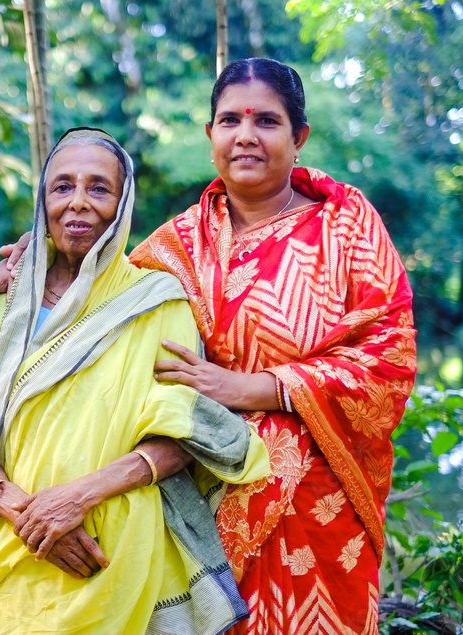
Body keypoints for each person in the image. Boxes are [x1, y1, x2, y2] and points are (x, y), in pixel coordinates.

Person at [0, 127, 271, 635]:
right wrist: (22, 511)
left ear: (122, 204)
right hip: (9, 548)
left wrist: (75, 500)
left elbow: (185, 434)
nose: (78, 203)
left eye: (98, 188)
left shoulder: (156, 300)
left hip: (110, 555)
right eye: (62, 187)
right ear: (43, 200)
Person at [129, 58, 418, 634]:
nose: (245, 135)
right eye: (229, 119)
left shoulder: (345, 226)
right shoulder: (176, 243)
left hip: (320, 499)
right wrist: (29, 267)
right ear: (210, 134)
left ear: (298, 137)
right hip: (206, 487)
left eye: (266, 120)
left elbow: (389, 357)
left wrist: (256, 389)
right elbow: (107, 314)